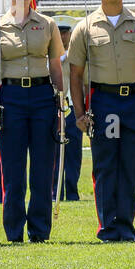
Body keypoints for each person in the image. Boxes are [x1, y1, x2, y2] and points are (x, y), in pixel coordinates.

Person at [66, 0, 135, 242]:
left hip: (132, 102)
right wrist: (79, 113)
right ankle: (108, 227)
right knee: (106, 164)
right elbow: (75, 74)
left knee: (131, 165)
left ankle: (126, 227)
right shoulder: (85, 27)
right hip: (104, 103)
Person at [0, 0, 65, 243]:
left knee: (41, 167)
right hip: (9, 99)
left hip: (42, 97)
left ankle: (39, 231)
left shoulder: (47, 25)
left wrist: (61, 106)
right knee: (12, 170)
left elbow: (56, 67)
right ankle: (13, 232)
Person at [51, 20, 82, 202]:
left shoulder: (75, 57)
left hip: (71, 108)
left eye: (65, 32)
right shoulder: (48, 57)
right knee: (53, 154)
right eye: (59, 32)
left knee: (73, 154)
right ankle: (55, 192)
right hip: (53, 109)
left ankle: (71, 192)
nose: (63, 36)